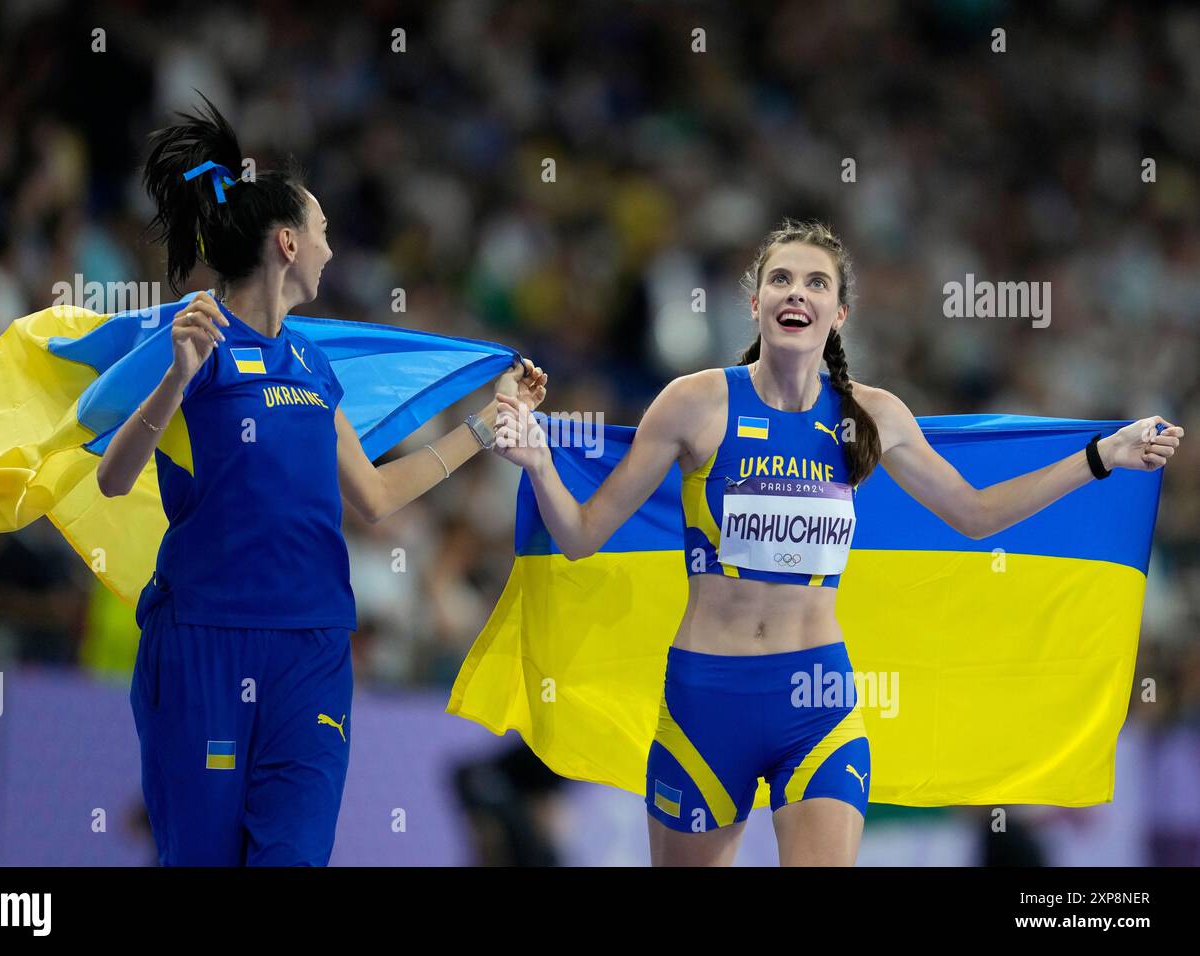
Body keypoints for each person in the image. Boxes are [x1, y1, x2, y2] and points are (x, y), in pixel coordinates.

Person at [491, 218, 1183, 866]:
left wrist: (1101, 454)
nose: (798, 292)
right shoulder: (695, 403)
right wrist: (540, 463)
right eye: (782, 280)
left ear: (838, 314)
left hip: (817, 700)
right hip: (706, 700)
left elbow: (975, 515)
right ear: (756, 302)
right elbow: (583, 537)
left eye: (816, 282)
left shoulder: (872, 415)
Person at [97, 94, 547, 866]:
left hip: (312, 650)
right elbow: (114, 479)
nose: (332, 251)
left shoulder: (314, 364)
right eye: (324, 233)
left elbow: (372, 497)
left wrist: (484, 428)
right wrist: (175, 380)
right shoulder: (193, 340)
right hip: (204, 640)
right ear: (287, 243)